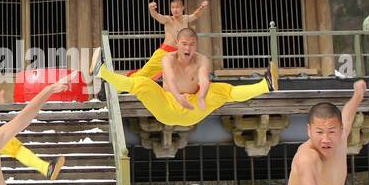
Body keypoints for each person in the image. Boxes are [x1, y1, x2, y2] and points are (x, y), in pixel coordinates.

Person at [90, 28, 274, 128]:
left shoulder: (202, 59)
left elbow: (203, 79)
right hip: (168, 106)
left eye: (192, 45)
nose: (188, 49)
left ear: (196, 45)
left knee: (223, 91)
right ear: (177, 44)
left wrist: (201, 98)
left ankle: (266, 85)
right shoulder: (168, 58)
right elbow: (169, 80)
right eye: (184, 44)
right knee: (142, 84)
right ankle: (102, 71)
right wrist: (179, 98)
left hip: (193, 108)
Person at [133, 0, 210, 80]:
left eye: (177, 7)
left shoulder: (185, 18)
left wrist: (202, 7)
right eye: (172, 7)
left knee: (187, 71)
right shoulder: (168, 19)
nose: (175, 10)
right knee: (146, 71)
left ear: (182, 8)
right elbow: (157, 16)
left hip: (179, 52)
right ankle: (131, 82)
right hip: (165, 52)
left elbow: (196, 15)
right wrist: (151, 9)